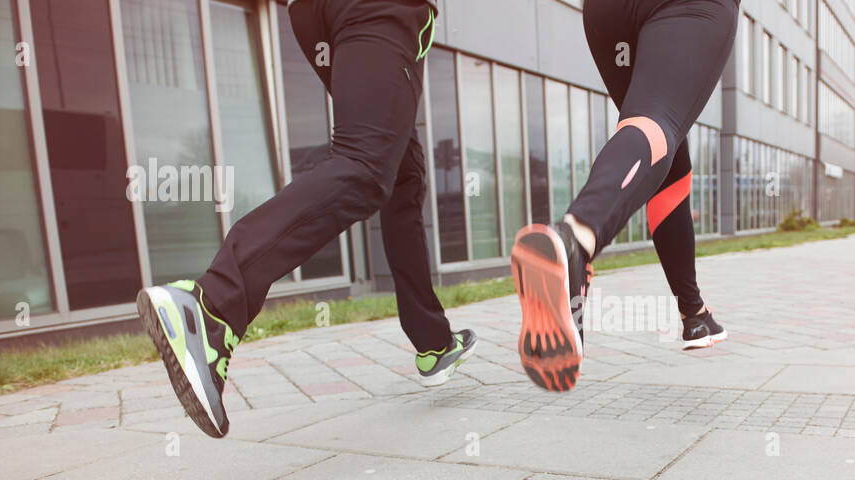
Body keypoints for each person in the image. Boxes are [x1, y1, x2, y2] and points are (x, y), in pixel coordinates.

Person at [136, 0, 475, 439]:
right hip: (379, 8)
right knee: (367, 166)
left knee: (399, 173)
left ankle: (432, 340)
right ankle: (211, 305)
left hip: (313, 14)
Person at [510, 0, 736, 392]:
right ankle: (575, 240)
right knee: (658, 121)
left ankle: (693, 312)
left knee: (664, 146)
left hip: (606, 12)